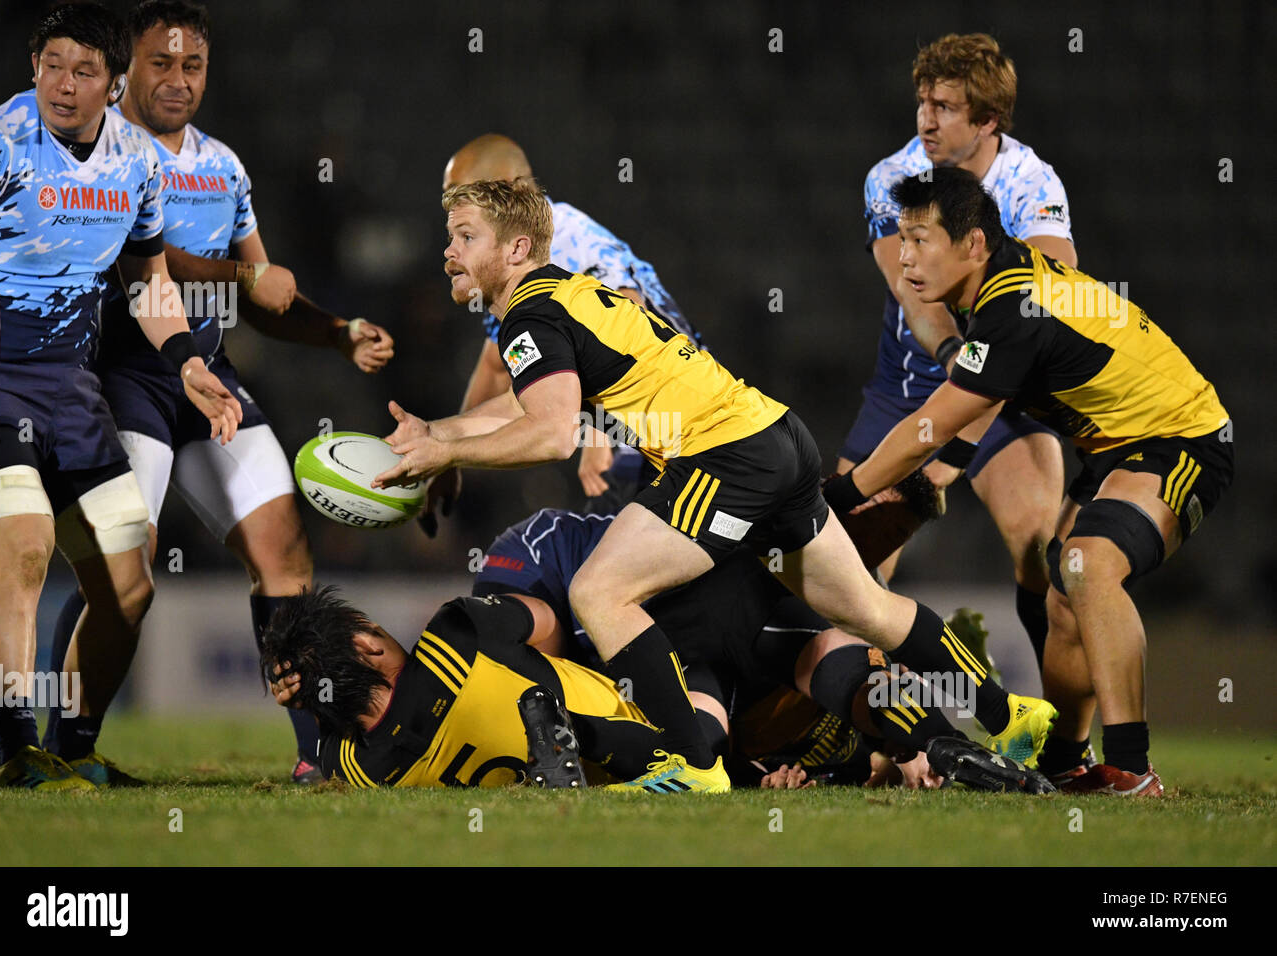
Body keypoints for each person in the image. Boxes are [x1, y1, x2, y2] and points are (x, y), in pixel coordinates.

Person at [371, 177, 1055, 793]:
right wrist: (443, 434)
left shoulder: (529, 317)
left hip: (724, 460)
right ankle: (1013, 716)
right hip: (777, 437)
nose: (450, 253)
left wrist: (440, 455)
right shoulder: (574, 292)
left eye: (466, 237)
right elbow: (540, 408)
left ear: (516, 248)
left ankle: (691, 765)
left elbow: (550, 433)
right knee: (870, 611)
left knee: (599, 591)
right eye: (451, 238)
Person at [42, 0, 394, 785]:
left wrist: (336, 333)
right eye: (159, 64)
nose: (176, 79)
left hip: (210, 383)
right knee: (119, 572)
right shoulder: (89, 155)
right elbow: (154, 265)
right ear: (126, 69)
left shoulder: (222, 167)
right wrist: (243, 277)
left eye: (191, 65)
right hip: (121, 380)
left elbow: (261, 299)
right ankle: (63, 753)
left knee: (284, 553)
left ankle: (316, 758)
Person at [829, 168, 1232, 796]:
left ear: (973, 245)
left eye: (921, 239)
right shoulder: (1002, 292)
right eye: (901, 239)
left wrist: (841, 497)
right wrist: (924, 482)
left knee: (1086, 565)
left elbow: (932, 425)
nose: (904, 258)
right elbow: (968, 420)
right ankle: (1067, 763)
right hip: (1116, 448)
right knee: (1062, 597)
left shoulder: (1011, 306)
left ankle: (1131, 769)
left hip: (1181, 441)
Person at [0, 2, 241, 789]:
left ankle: (76, 745)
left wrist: (190, 362)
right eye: (51, 65)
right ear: (34, 68)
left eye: (84, 70)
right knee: (22, 552)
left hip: (73, 397)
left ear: (114, 82)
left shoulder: (135, 163)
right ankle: (15, 752)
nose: (63, 84)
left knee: (128, 588)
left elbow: (148, 276)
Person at [472, 506, 1052, 793]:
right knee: (714, 732)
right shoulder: (841, 739)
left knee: (832, 653)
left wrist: (904, 756)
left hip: (708, 615)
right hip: (723, 641)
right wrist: (911, 754)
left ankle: (961, 734)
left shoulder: (546, 558)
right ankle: (956, 741)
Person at [840, 34, 1075, 674]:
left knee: (1041, 554)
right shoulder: (892, 178)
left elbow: (1053, 292)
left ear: (987, 120)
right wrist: (954, 359)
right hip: (911, 386)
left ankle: (1063, 747)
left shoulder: (1031, 182)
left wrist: (978, 391)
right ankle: (871, 737)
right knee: (845, 563)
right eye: (922, 102)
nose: (925, 120)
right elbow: (913, 295)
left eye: (944, 106)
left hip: (1010, 396)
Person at [421, 133, 701, 530]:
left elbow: (629, 312)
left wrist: (600, 433)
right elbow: (497, 368)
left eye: (460, 189)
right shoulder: (509, 261)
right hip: (649, 430)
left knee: (588, 575)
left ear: (506, 186)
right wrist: (450, 456)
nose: (450, 203)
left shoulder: (561, 235)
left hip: (667, 425)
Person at [261, 586, 669, 789]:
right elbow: (545, 619)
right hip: (640, 722)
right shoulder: (455, 633)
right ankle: (575, 731)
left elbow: (333, 732)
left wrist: (312, 698)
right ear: (365, 642)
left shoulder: (354, 769)